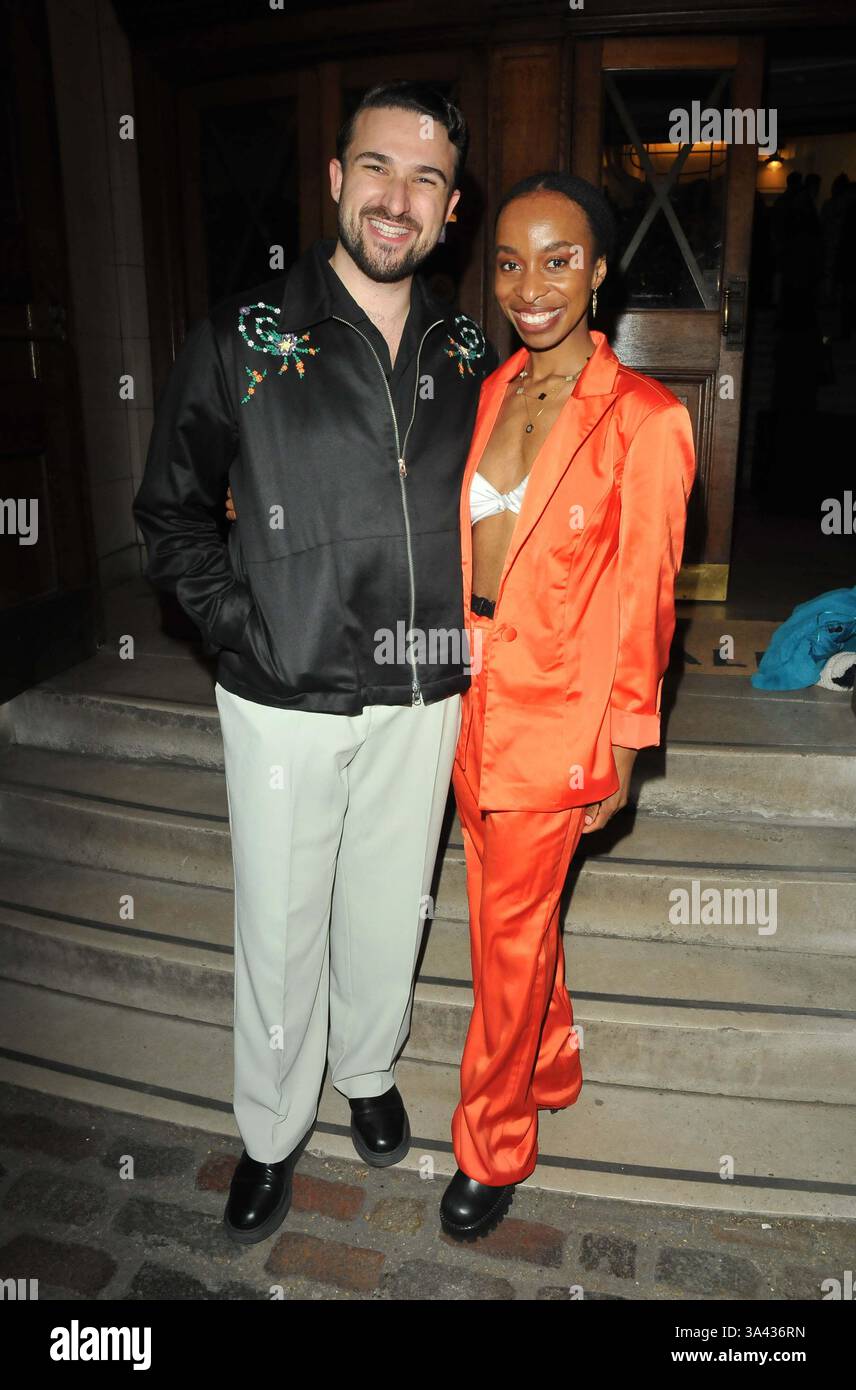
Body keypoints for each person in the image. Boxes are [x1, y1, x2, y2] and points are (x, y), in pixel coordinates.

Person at [132, 81, 497, 1245]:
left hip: (424, 681)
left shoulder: (470, 345)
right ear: (335, 181)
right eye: (378, 169)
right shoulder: (240, 335)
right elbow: (171, 516)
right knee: (282, 926)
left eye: (427, 179)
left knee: (391, 907)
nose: (399, 199)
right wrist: (250, 630)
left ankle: (368, 1068)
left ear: (450, 210)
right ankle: (270, 1130)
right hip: (284, 692)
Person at [438, 172, 696, 1239]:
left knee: (501, 939)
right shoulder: (494, 389)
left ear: (598, 269)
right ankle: (548, 1060)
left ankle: (492, 1141)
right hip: (469, 687)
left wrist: (625, 743)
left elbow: (645, 600)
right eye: (507, 261)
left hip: (557, 712)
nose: (530, 284)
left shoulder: (646, 419)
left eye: (556, 259)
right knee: (505, 912)